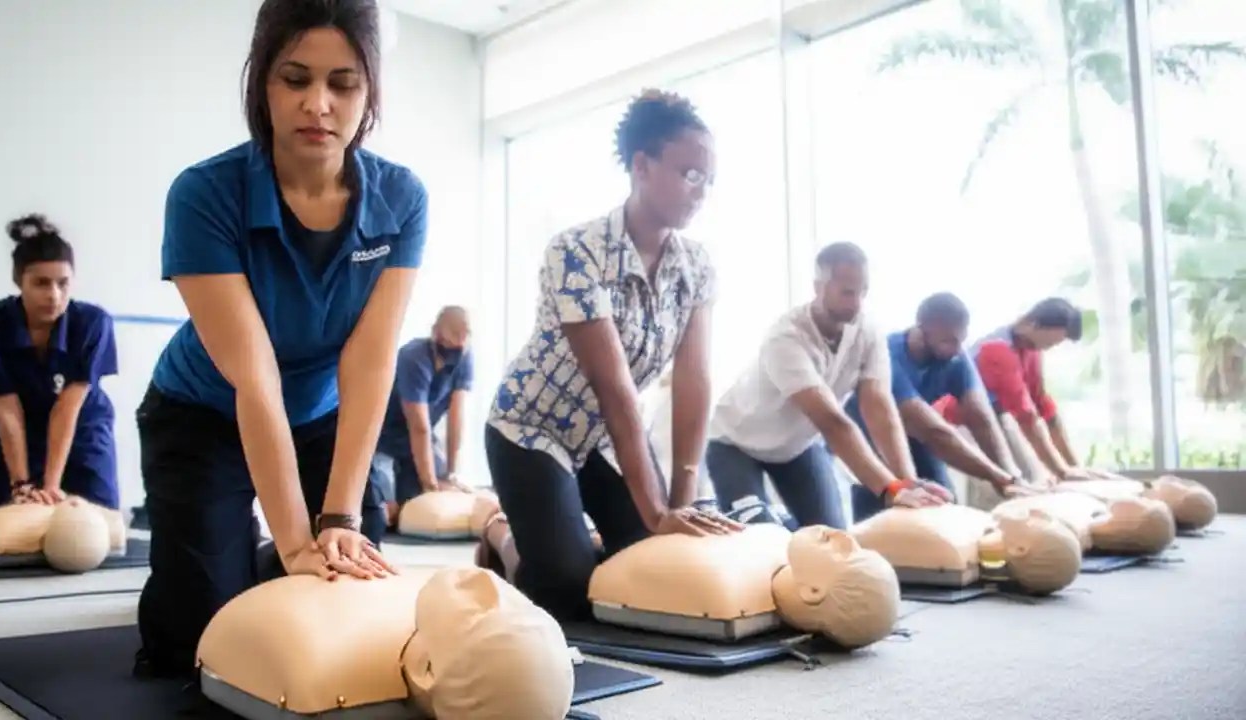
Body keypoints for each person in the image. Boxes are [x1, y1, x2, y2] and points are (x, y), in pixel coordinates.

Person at [134, 0, 424, 679]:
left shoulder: (402, 198)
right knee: (200, 641)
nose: (317, 104)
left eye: (342, 83)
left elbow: (371, 360)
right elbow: (254, 375)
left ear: (369, 92)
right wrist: (296, 539)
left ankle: (256, 561)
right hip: (202, 413)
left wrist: (340, 517)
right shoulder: (203, 193)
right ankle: (230, 561)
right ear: (263, 83)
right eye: (295, 79)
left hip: (320, 416)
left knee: (350, 586)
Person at [480, 89, 743, 622]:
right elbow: (616, 389)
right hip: (530, 429)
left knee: (653, 562)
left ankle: (562, 530)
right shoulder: (575, 252)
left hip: (600, 438)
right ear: (642, 166)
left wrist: (681, 502)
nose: (701, 191)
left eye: (709, 179)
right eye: (689, 174)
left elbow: (694, 381)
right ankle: (502, 534)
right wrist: (655, 509)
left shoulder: (697, 266)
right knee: (569, 589)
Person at [705, 242, 949, 530]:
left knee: (834, 540)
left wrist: (908, 480)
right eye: (847, 292)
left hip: (798, 449)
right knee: (760, 539)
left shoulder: (868, 331)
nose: (857, 302)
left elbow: (879, 407)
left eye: (863, 291)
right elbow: (832, 422)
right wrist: (889, 489)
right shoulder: (786, 337)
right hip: (736, 445)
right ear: (818, 287)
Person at [0, 215, 119, 543]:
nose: (53, 295)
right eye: (41, 283)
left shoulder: (93, 323)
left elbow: (68, 409)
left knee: (103, 532)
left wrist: (50, 487)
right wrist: (22, 487)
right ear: (19, 281)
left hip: (79, 429)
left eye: (63, 283)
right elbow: (7, 414)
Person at [844, 293, 1029, 521]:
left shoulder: (956, 357)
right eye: (948, 341)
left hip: (915, 438)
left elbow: (982, 419)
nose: (956, 349)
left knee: (943, 503)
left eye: (960, 340)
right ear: (921, 330)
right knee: (885, 512)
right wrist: (996, 476)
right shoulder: (887, 355)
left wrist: (1011, 476)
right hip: (871, 439)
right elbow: (933, 431)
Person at [937, 297, 1099, 484]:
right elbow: (1026, 417)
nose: (1048, 349)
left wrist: (1076, 468)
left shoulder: (1031, 349)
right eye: (1049, 344)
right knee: (1016, 482)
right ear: (1032, 324)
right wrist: (1062, 471)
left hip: (992, 420)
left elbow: (1043, 407)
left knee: (1031, 476)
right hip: (959, 426)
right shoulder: (996, 350)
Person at [374, 305, 474, 528]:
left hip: (421, 443)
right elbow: (418, 425)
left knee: (439, 493)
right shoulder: (413, 357)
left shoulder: (465, 356)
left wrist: (451, 472)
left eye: (463, 338)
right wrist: (429, 485)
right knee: (385, 513)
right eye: (452, 338)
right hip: (382, 441)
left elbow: (456, 418)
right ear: (436, 333)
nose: (458, 344)